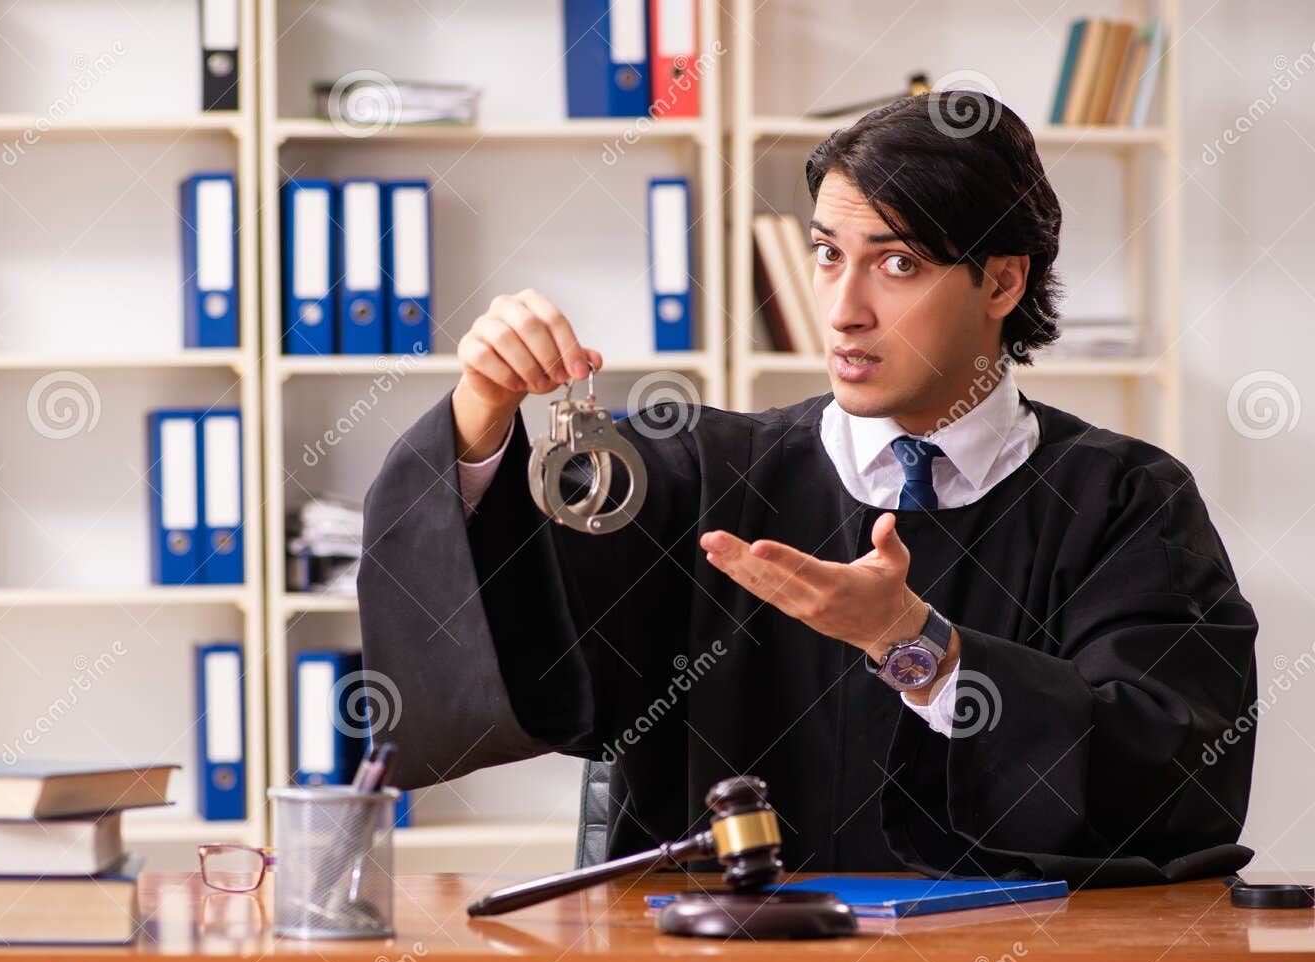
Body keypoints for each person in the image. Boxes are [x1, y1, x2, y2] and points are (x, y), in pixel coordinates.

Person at [357, 93, 1257, 886]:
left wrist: (921, 648)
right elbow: (520, 659)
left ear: (1002, 281)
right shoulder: (697, 474)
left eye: (897, 263)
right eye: (828, 254)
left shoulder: (1126, 501)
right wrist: (477, 422)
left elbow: (1176, 783)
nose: (841, 308)